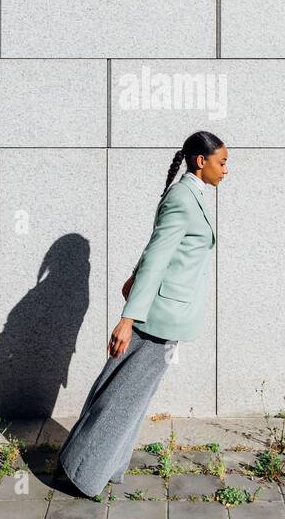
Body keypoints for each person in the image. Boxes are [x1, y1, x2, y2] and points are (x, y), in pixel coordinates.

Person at [56, 131, 228, 497]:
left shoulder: (192, 196)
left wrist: (134, 276)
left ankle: (97, 467)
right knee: (123, 396)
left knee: (128, 394)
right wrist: (128, 317)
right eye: (222, 162)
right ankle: (82, 472)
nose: (226, 170)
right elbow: (157, 255)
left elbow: (159, 247)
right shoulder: (184, 198)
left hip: (168, 311)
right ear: (201, 161)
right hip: (158, 314)